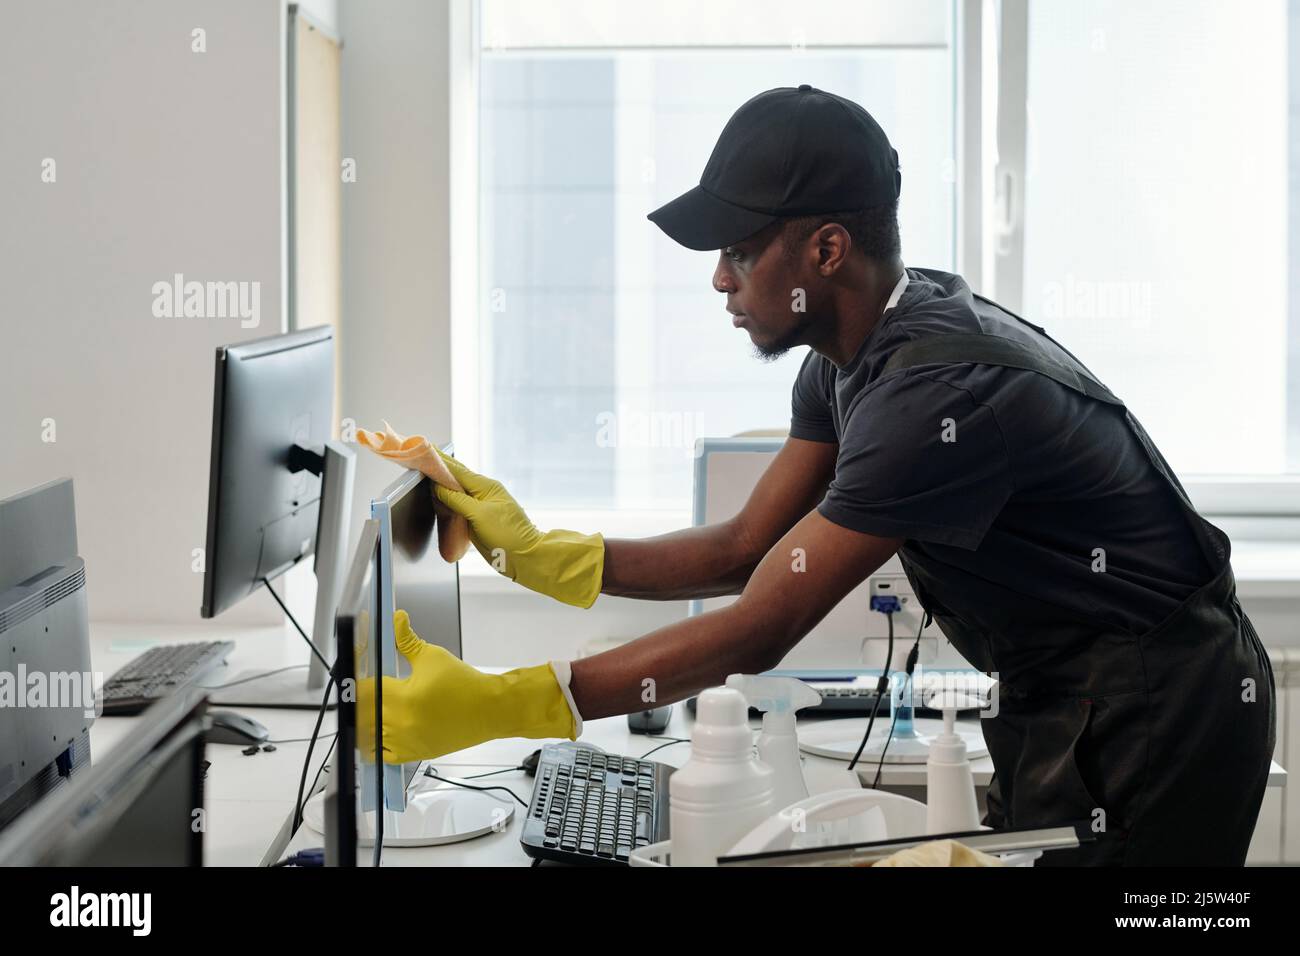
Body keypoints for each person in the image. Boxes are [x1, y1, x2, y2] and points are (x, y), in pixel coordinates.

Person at [373, 86, 1275, 866]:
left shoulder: (933, 396)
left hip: (1161, 702)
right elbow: (747, 547)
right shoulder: (850, 356)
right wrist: (542, 555)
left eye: (737, 251)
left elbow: (757, 630)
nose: (719, 281)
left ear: (827, 251)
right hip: (1071, 686)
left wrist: (513, 701)